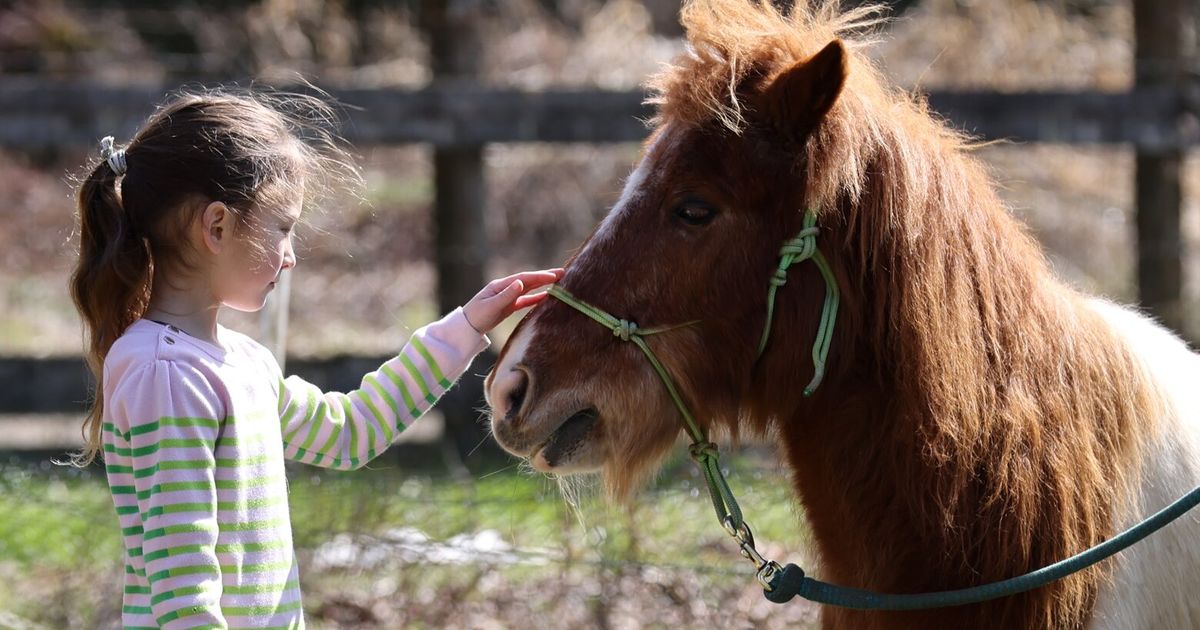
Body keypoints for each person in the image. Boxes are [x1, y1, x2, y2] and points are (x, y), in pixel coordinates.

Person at [68, 88, 561, 628]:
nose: (292, 254)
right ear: (216, 227)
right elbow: (182, 586)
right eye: (283, 227)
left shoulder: (242, 362)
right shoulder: (166, 375)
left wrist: (464, 329)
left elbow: (348, 432)